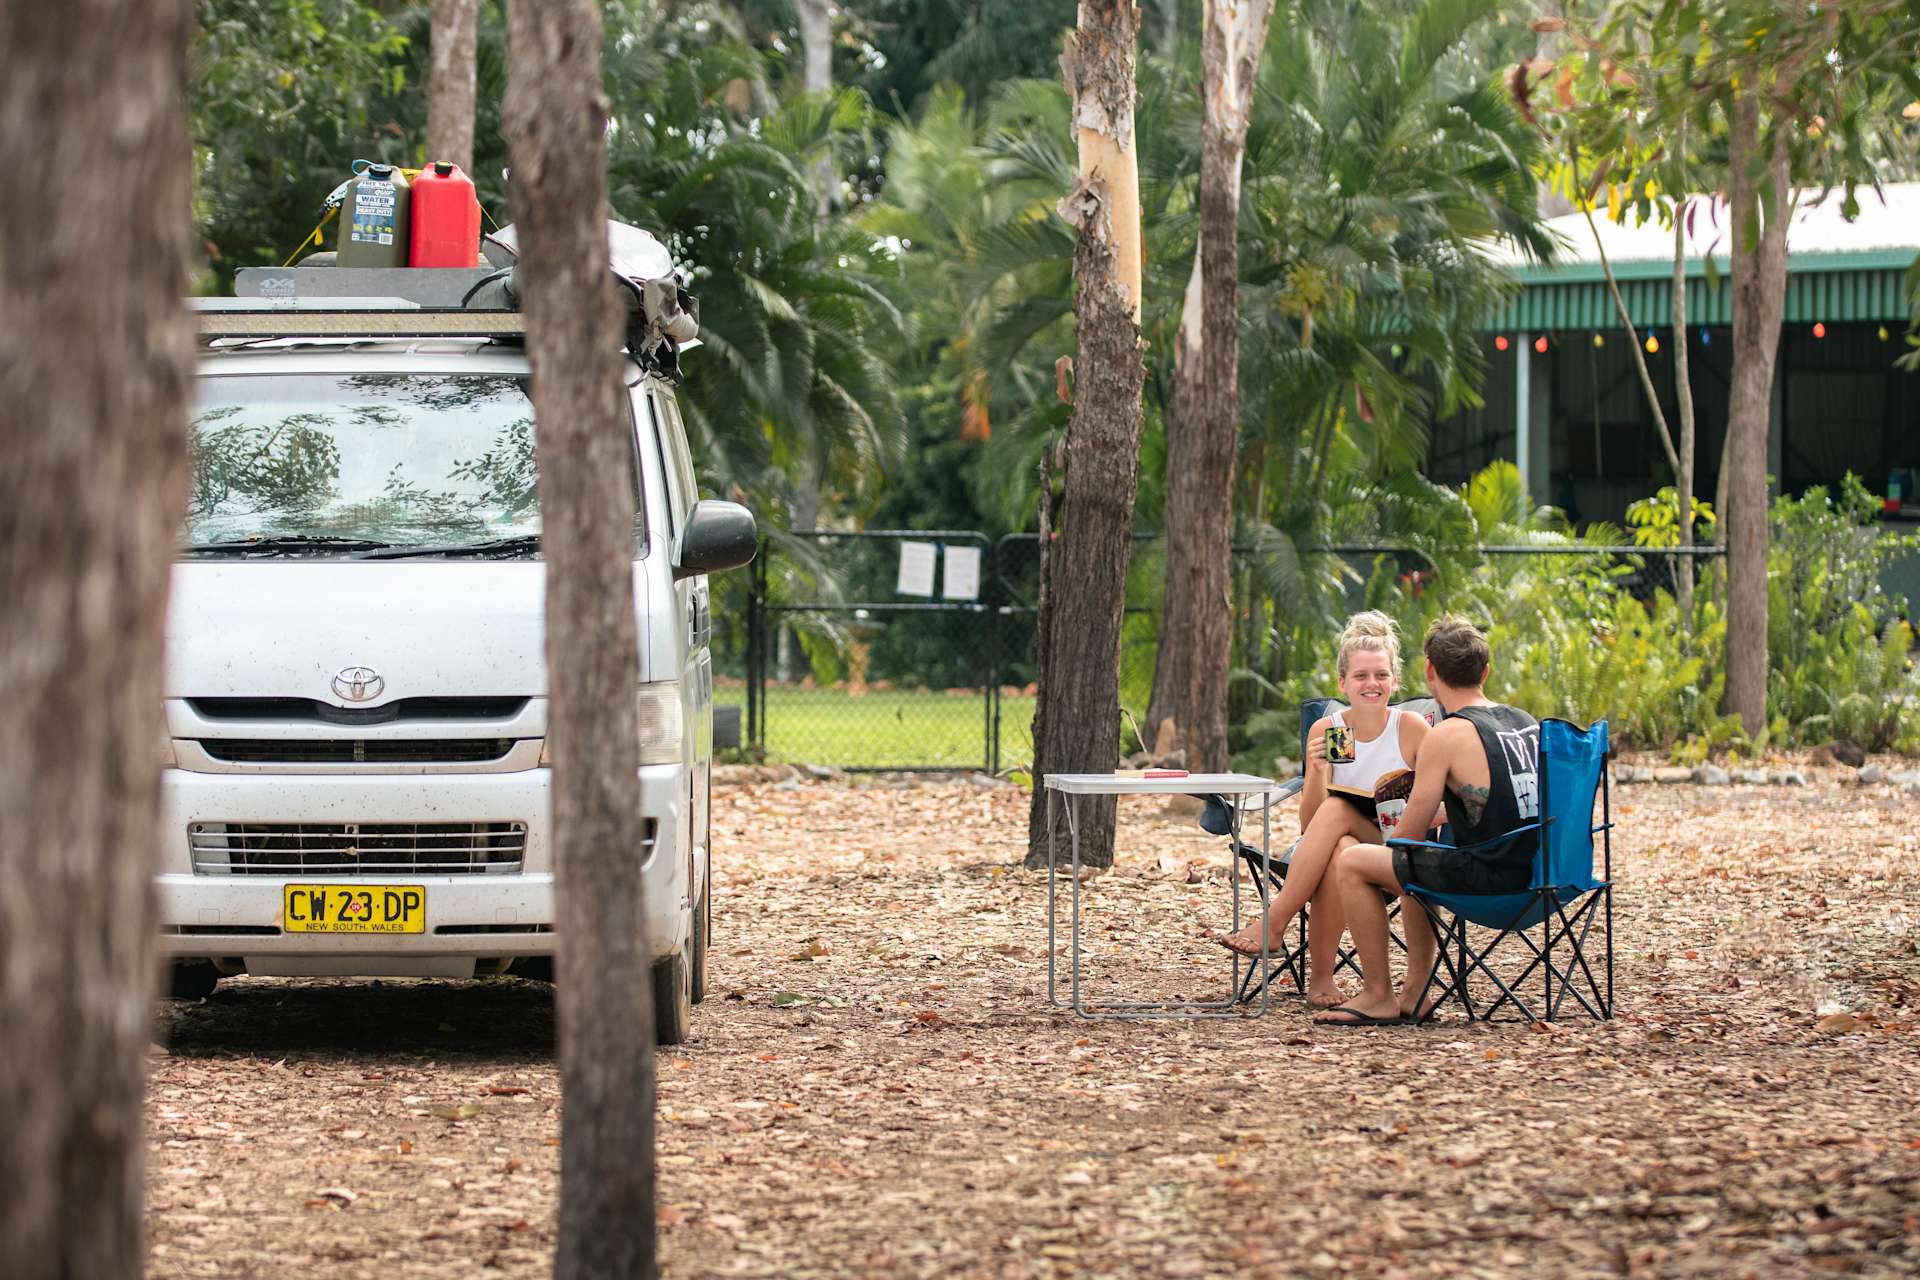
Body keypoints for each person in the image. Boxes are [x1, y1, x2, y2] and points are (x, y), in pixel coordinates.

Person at [1313, 615, 1540, 1027]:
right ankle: (1415, 992)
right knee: (1419, 860)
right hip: (1542, 875)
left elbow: (1407, 838)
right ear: (1485, 672)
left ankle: (1378, 993)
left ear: (1430, 672)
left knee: (1356, 860)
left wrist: (1366, 830)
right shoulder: (1526, 723)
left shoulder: (1446, 734)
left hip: (1487, 878)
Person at [1209, 612, 1429, 1009]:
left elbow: (1432, 797)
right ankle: (1321, 982)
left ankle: (1276, 922)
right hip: (1340, 847)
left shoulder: (1410, 728)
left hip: (1398, 848)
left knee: (1340, 816)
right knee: (1339, 846)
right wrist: (1316, 771)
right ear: (1342, 683)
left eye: (1381, 675)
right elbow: (1311, 824)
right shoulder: (1329, 731)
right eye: (1361, 676)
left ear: (1395, 681)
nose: (1371, 684)